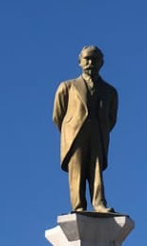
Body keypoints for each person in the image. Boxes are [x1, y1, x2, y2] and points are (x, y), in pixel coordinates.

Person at [52, 45, 118, 213]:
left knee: (96, 168)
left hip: (98, 133)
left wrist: (99, 128)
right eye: (87, 59)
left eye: (94, 59)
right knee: (77, 170)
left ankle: (99, 203)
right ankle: (78, 205)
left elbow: (111, 118)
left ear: (101, 63)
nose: (90, 63)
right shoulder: (67, 86)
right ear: (79, 61)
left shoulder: (110, 91)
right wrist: (70, 129)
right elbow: (58, 115)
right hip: (75, 135)